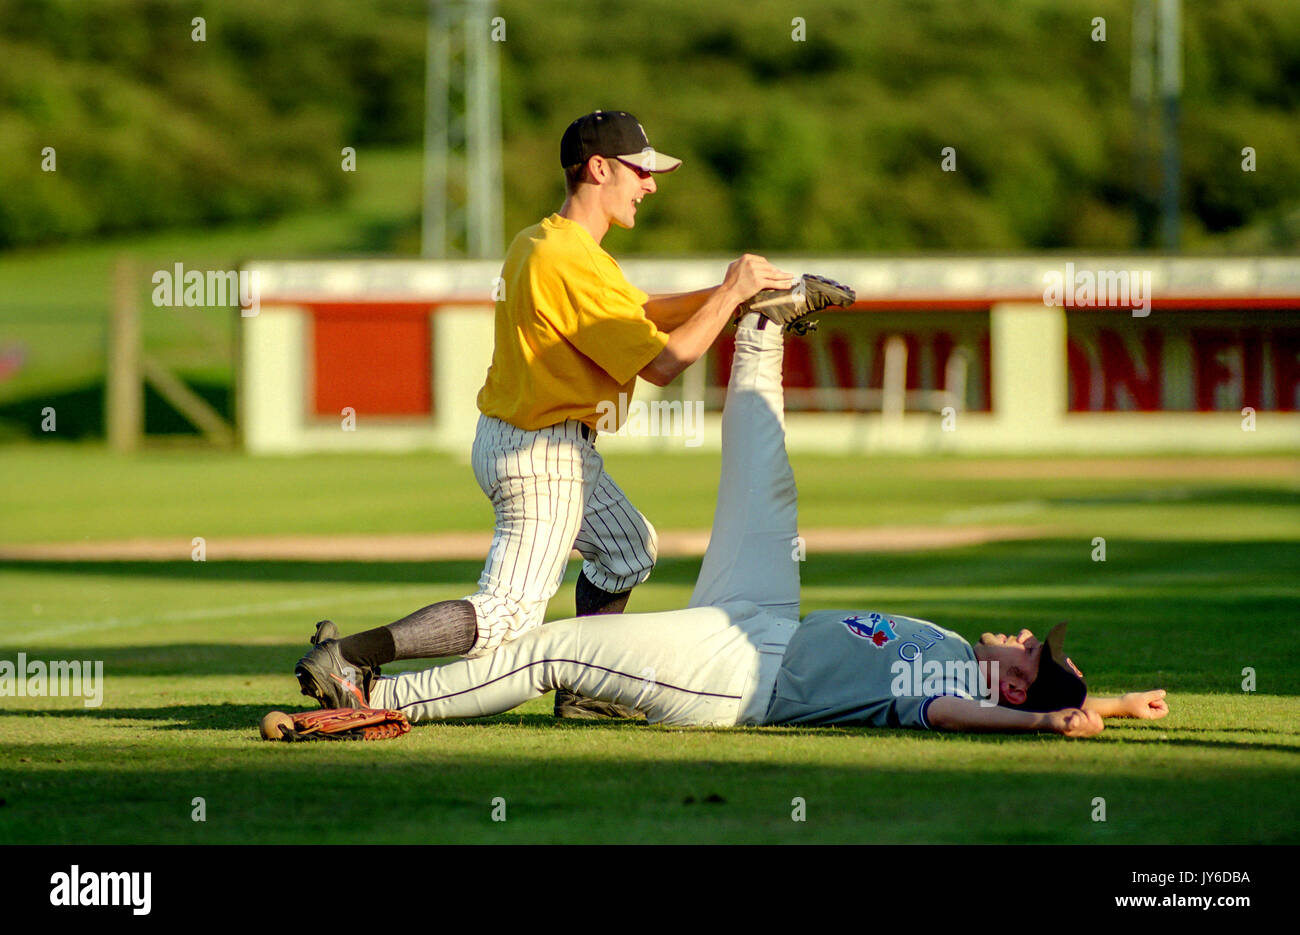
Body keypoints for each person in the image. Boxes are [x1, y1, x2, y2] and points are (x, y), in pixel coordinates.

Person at [302, 307, 1170, 738]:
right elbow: (1047, 693)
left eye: (1033, 653)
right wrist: (1115, 704)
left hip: (741, 681)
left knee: (552, 646)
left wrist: (1040, 721)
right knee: (767, 489)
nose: (1025, 636)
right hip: (761, 617)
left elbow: (948, 716)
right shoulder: (968, 655)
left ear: (1013, 687)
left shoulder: (962, 691)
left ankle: (375, 699)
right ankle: (763, 327)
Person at [296, 110, 797, 719]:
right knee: (506, 612)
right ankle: (347, 657)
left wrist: (740, 293)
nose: (651, 184)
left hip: (532, 441)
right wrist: (728, 295)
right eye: (641, 170)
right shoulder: (570, 259)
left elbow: (637, 307)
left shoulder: (546, 241)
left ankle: (585, 689)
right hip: (544, 454)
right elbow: (666, 362)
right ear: (599, 167)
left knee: (628, 549)